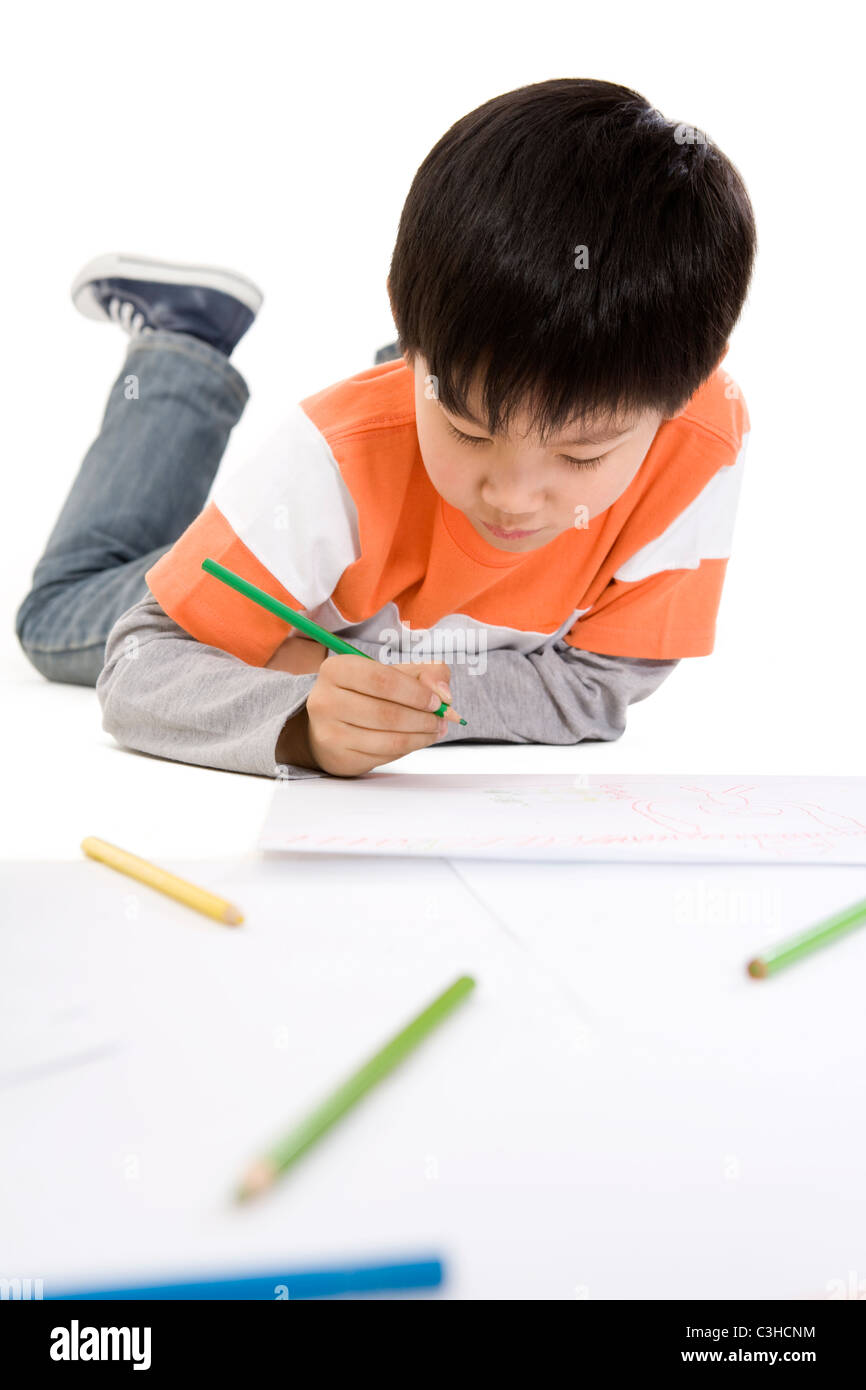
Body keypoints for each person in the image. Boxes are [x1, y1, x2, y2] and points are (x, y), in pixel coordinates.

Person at [16, 78, 755, 778]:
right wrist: (305, 717)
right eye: (469, 430)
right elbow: (141, 662)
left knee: (426, 452)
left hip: (357, 561)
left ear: (687, 387)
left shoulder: (704, 441)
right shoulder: (337, 454)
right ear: (407, 332)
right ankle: (179, 349)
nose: (515, 498)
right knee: (57, 613)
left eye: (581, 452)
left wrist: (406, 694)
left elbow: (597, 689)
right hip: (309, 563)